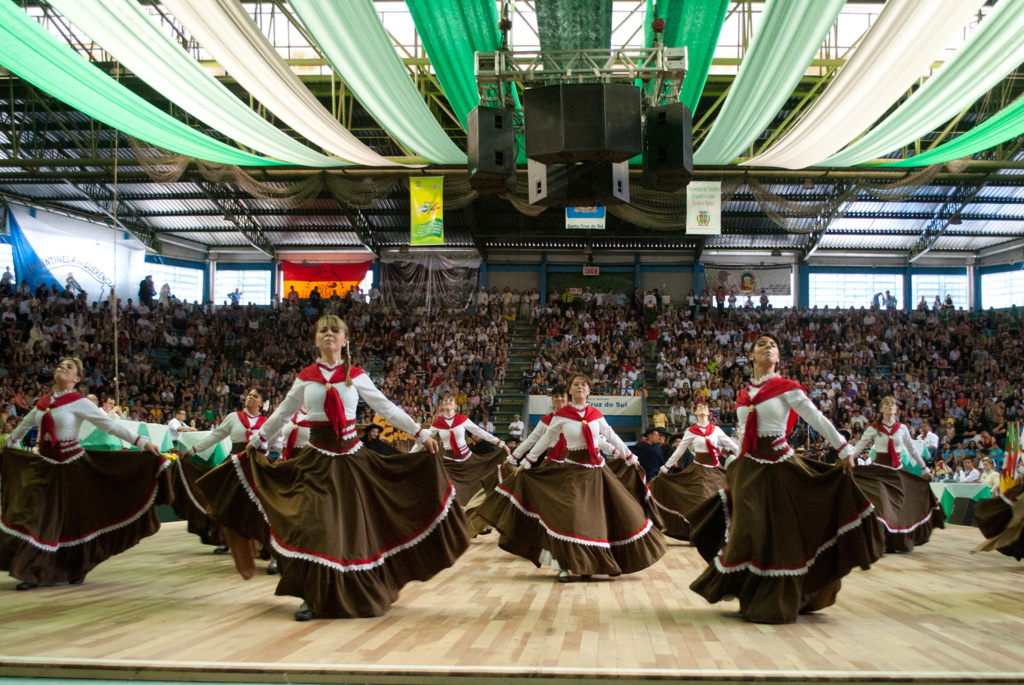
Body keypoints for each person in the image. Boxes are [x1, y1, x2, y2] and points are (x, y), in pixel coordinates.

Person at [196, 315, 469, 620]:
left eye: (335, 330)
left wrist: (420, 433)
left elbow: (387, 409)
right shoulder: (306, 377)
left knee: (352, 532)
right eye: (323, 330)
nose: (329, 334)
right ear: (316, 340)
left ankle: (357, 590)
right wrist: (258, 439)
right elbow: (283, 414)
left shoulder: (356, 376)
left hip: (353, 459)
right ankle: (311, 595)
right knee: (315, 526)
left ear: (345, 341)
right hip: (316, 460)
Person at [687, 333, 883, 624]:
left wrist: (843, 447)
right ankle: (746, 589)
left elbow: (816, 418)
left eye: (773, 346)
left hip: (780, 466)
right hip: (749, 469)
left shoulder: (787, 389)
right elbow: (743, 433)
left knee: (779, 535)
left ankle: (777, 597)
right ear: (751, 356)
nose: (768, 347)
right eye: (761, 345)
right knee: (747, 531)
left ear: (778, 358)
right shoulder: (743, 396)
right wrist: (736, 463)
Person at [1, 358, 170, 590]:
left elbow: (109, 425)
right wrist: (10, 443)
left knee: (75, 521)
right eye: (61, 364)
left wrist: (140, 442)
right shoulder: (42, 403)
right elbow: (24, 426)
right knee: (38, 514)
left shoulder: (79, 403)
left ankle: (75, 566)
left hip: (73, 466)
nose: (63, 367)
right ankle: (33, 569)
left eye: (69, 367)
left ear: (77, 379)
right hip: (46, 466)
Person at [479, 373, 666, 583]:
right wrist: (525, 462)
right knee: (572, 518)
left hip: (597, 472)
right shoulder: (562, 416)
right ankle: (565, 565)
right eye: (576, 384)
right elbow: (544, 439)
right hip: (573, 471)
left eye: (584, 384)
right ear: (570, 390)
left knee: (599, 519)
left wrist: (631, 457)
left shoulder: (596, 414)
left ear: (589, 390)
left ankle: (590, 565)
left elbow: (611, 436)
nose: (580, 387)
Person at [175, 389, 269, 556]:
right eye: (249, 395)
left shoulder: (266, 422)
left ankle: (262, 543)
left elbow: (270, 445)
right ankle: (225, 540)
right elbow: (216, 436)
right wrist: (193, 450)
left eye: (255, 396)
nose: (250, 397)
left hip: (256, 464)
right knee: (227, 501)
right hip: (235, 463)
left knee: (259, 504)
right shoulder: (233, 417)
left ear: (261, 403)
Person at [849, 397, 944, 553]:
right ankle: (879, 541)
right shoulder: (874, 428)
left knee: (899, 508)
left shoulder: (902, 429)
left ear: (896, 409)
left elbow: (912, 450)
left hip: (898, 472)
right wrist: (848, 460)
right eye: (887, 404)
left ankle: (895, 543)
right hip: (879, 472)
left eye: (892, 404)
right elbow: (858, 447)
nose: (890, 407)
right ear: (881, 409)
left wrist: (924, 469)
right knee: (881, 505)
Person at [648, 401, 739, 540]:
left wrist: (747, 456)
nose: (702, 408)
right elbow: (679, 450)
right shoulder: (691, 431)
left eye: (705, 407)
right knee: (701, 500)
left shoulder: (716, 430)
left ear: (709, 412)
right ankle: (699, 534)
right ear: (695, 413)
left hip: (715, 471)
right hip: (699, 471)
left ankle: (718, 535)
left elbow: (732, 445)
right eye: (699, 407)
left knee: (722, 500)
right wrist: (666, 467)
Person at [418, 393, 510, 507]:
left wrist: (500, 443)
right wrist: (411, 453)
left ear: (456, 406)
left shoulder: (462, 419)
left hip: (468, 460)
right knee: (446, 489)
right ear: (441, 405)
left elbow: (480, 432)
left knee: (477, 484)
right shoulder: (438, 423)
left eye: (450, 400)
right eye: (445, 400)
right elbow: (423, 439)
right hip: (449, 463)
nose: (447, 401)